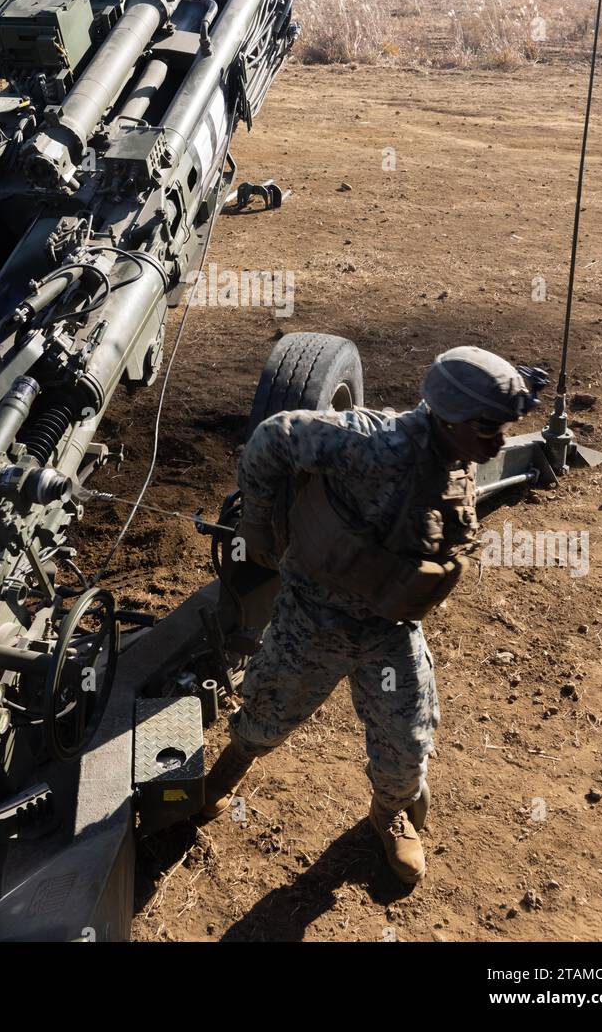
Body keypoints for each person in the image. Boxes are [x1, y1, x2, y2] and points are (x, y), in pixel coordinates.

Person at [200, 346, 544, 883]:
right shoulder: (372, 442)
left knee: (408, 739)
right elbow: (272, 436)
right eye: (488, 428)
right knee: (268, 712)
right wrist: (257, 523)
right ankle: (225, 776)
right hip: (315, 617)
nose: (499, 442)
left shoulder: (456, 456)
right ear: (449, 415)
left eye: (503, 428)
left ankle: (391, 816)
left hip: (390, 630)